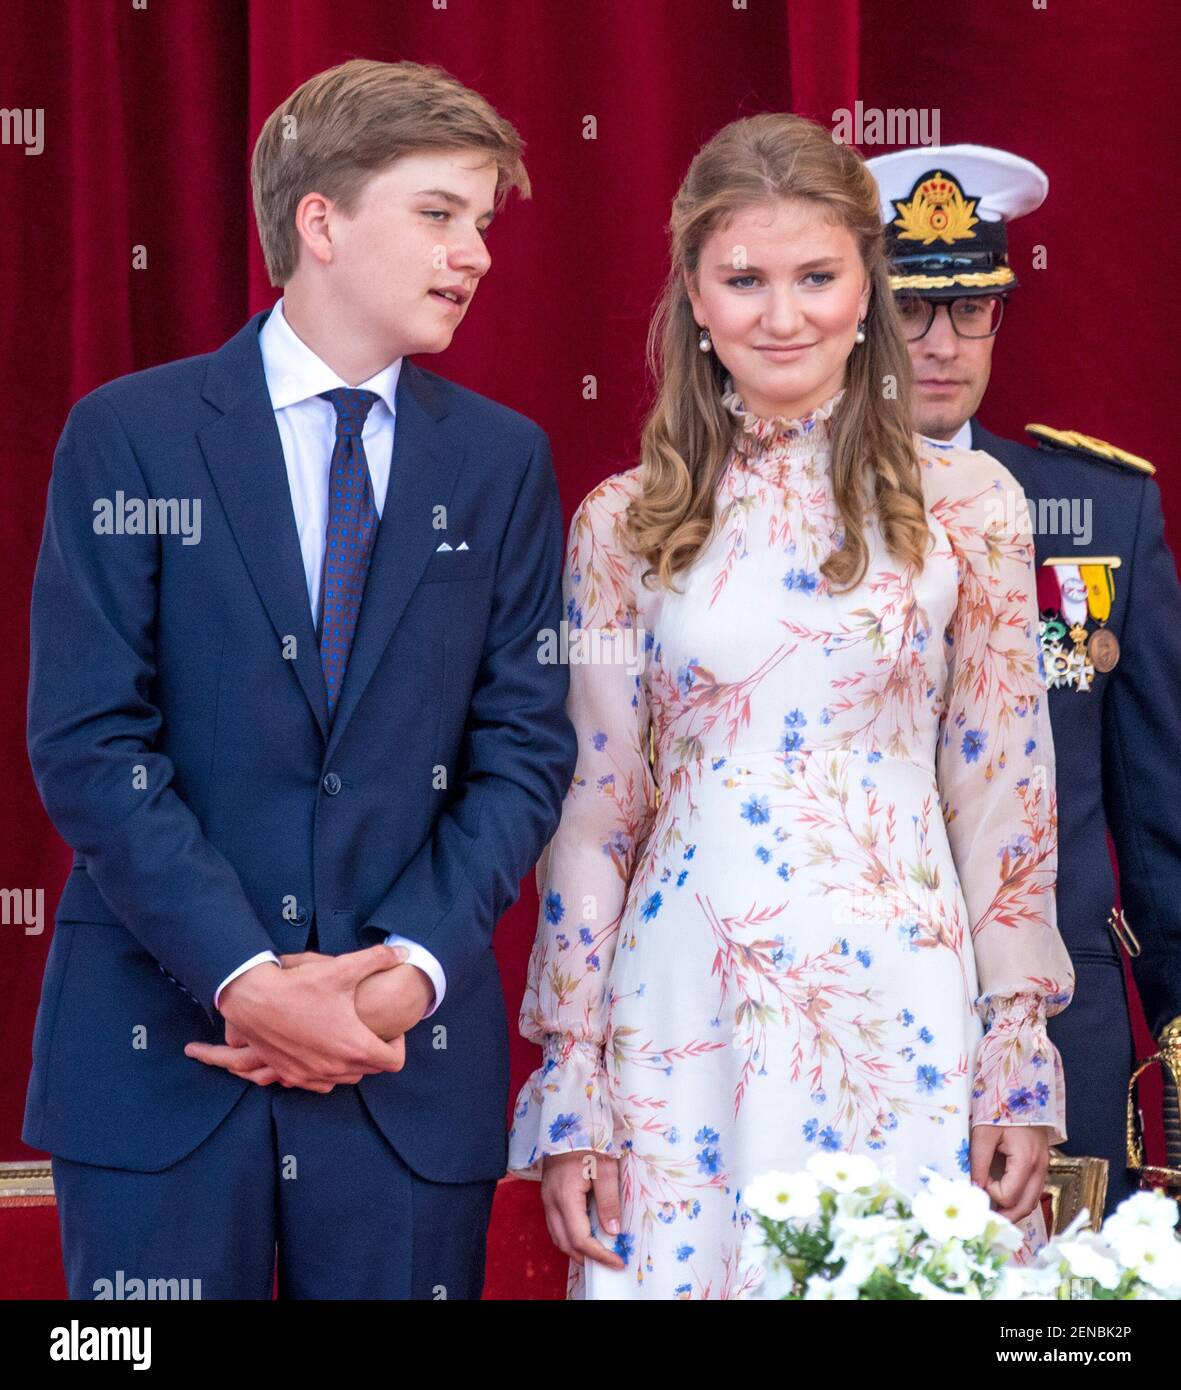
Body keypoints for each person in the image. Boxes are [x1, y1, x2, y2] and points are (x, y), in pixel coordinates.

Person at [23, 58, 577, 1300]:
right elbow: (88, 739)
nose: (474, 253)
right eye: (439, 212)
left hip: (401, 1072)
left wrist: (401, 976)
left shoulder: (500, 462)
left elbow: (525, 751)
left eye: (481, 221)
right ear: (318, 221)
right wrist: (248, 980)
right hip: (162, 1059)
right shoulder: (130, 432)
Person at [507, 112, 1074, 1299]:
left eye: (815, 275)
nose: (781, 314)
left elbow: (1000, 795)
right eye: (744, 279)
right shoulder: (617, 522)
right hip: (679, 1013)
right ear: (695, 299)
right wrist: (571, 1073)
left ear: (865, 285)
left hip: (906, 1007)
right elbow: (594, 810)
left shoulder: (972, 502)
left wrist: (1014, 1049)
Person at [866, 143, 1181, 1216]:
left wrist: (1176, 1045)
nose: (942, 344)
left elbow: (1155, 821)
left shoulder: (1094, 509)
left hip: (1058, 1022)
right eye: (910, 311)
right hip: (850, 1003)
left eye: (971, 309)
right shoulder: (779, 514)